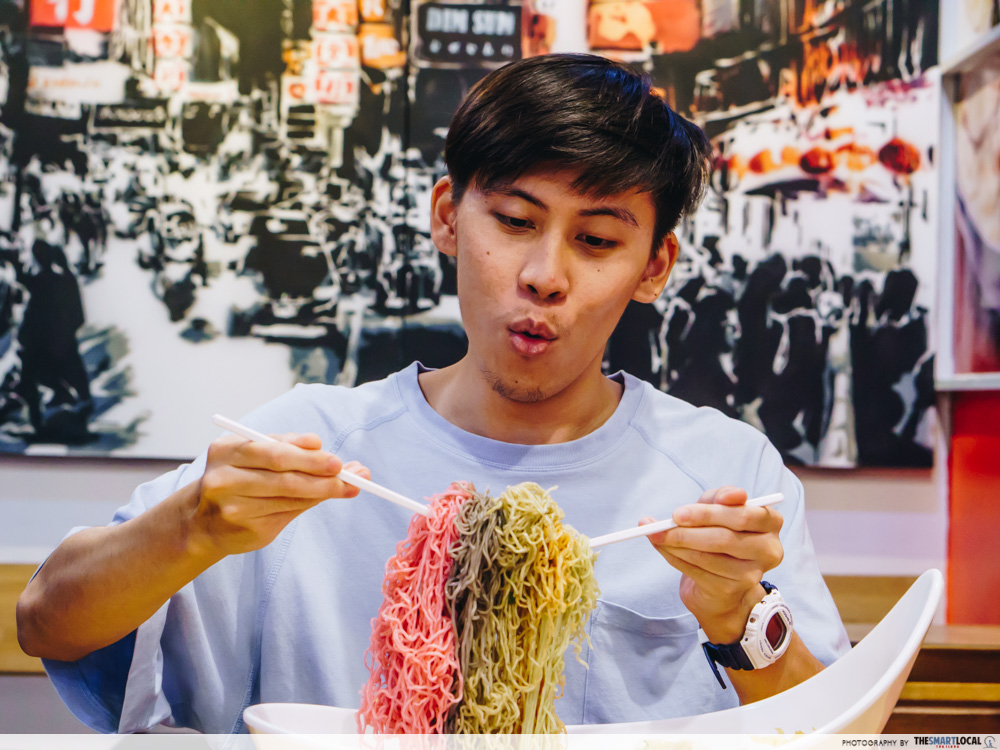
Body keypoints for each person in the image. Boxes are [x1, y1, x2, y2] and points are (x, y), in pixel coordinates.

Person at [17, 54, 849, 734]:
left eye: (596, 241)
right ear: (449, 216)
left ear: (654, 267)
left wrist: (741, 615)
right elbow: (45, 620)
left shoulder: (721, 472)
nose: (544, 277)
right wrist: (189, 527)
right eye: (515, 221)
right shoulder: (308, 441)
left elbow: (834, 727)